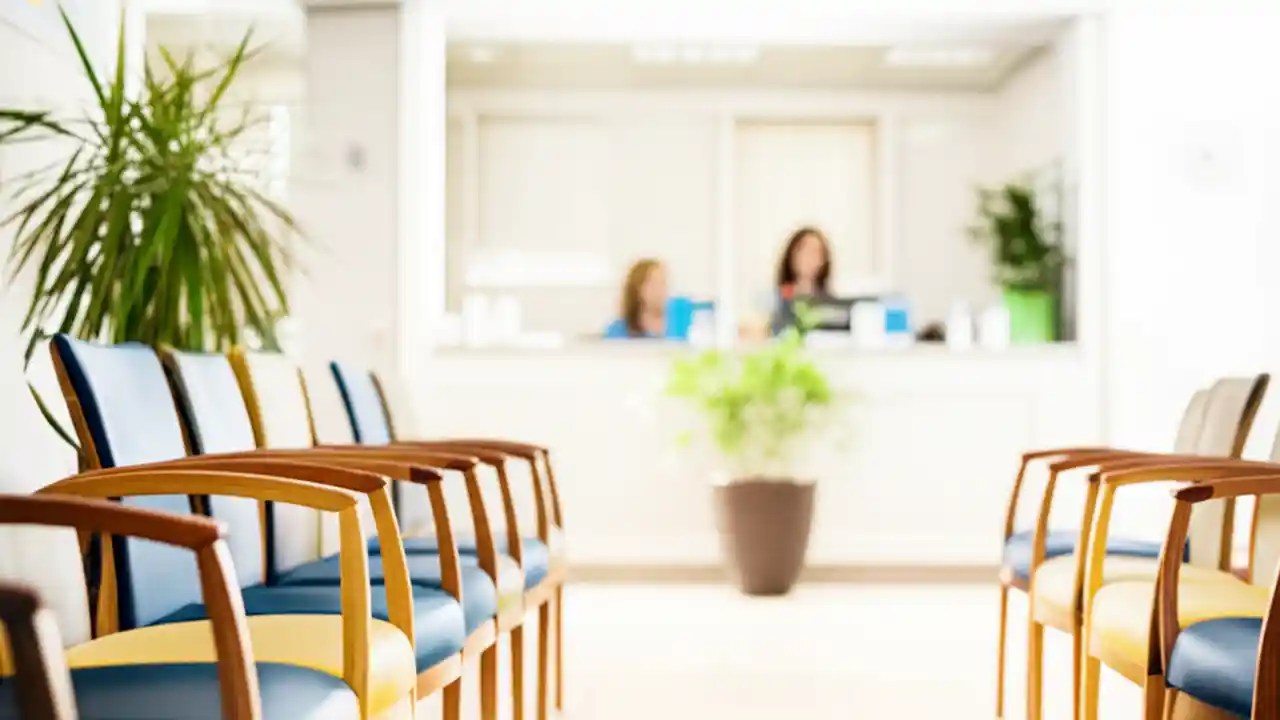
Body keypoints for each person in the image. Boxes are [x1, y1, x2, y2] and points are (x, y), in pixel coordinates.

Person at [771, 227, 832, 333]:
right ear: (791, 254)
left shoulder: (831, 304)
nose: (808, 257)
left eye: (814, 252)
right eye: (802, 250)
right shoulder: (775, 297)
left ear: (824, 260)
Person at [605, 258, 668, 338]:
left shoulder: (676, 326)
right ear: (637, 288)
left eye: (663, 283)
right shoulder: (619, 329)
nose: (660, 289)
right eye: (654, 283)